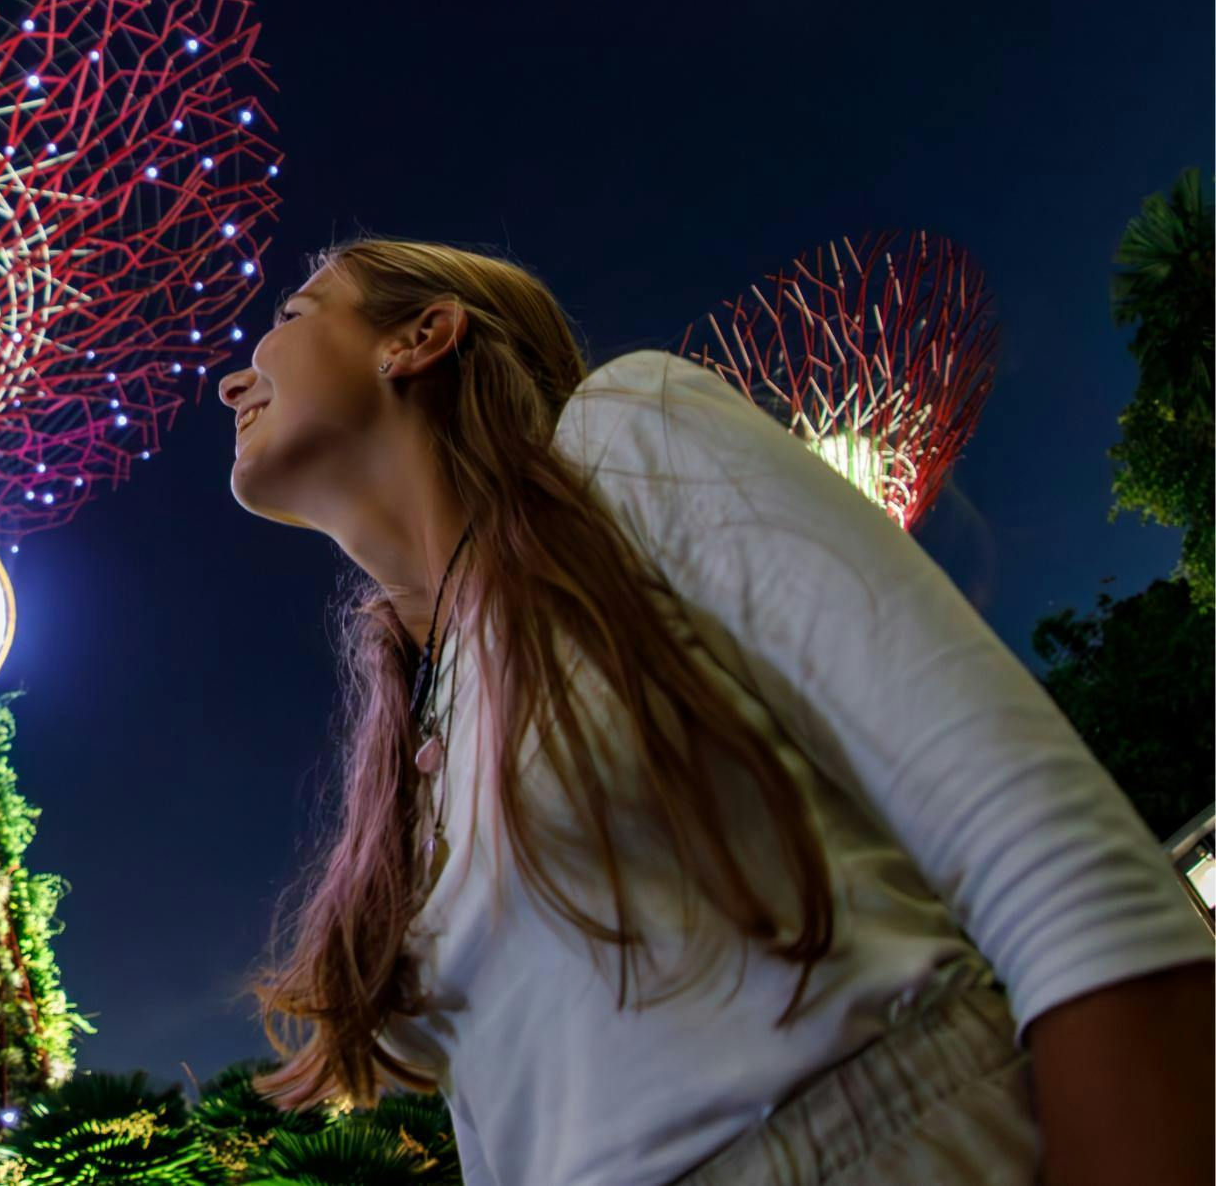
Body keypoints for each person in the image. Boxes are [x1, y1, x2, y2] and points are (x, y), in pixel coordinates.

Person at [219, 239, 1212, 1186]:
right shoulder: (413, 726)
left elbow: (1044, 850)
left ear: (417, 337)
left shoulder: (620, 443)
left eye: (294, 312)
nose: (232, 379)